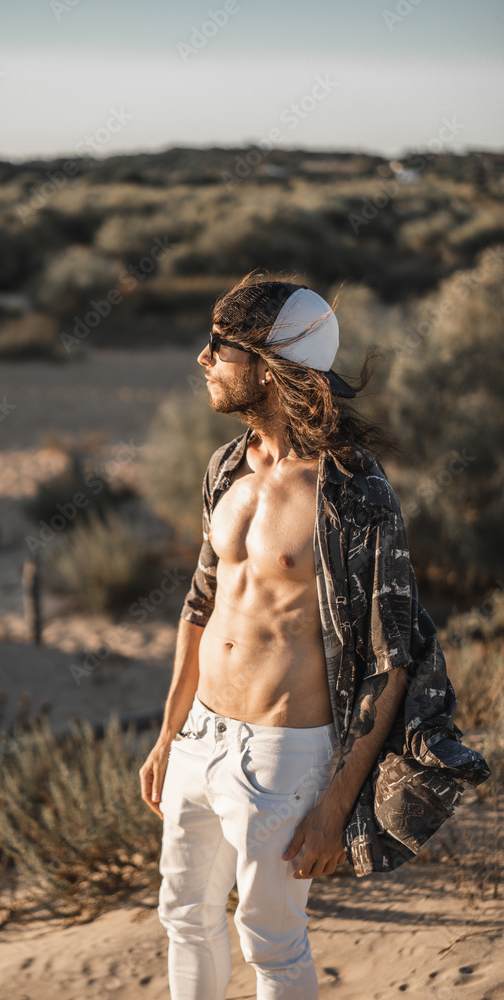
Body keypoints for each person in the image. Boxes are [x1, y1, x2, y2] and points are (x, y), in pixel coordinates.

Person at [139, 272, 490, 1000]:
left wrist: (335, 804)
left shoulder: (352, 492)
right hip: (201, 734)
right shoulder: (225, 466)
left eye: (219, 346)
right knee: (183, 916)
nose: (202, 359)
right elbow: (199, 602)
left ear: (269, 366)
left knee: (269, 939)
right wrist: (168, 732)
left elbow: (392, 659)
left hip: (281, 749)